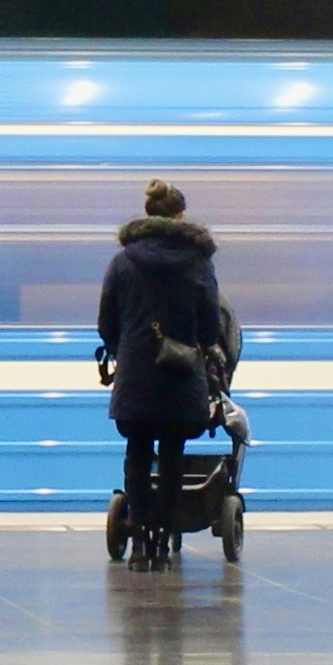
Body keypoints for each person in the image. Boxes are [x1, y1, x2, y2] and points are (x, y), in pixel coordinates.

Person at [96, 180, 237, 550]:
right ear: (180, 216)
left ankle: (140, 535)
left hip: (136, 380)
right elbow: (210, 326)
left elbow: (106, 324)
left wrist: (125, 350)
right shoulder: (198, 263)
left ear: (148, 215)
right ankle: (162, 537)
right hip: (181, 379)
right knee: (172, 454)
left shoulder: (123, 262)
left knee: (138, 453)